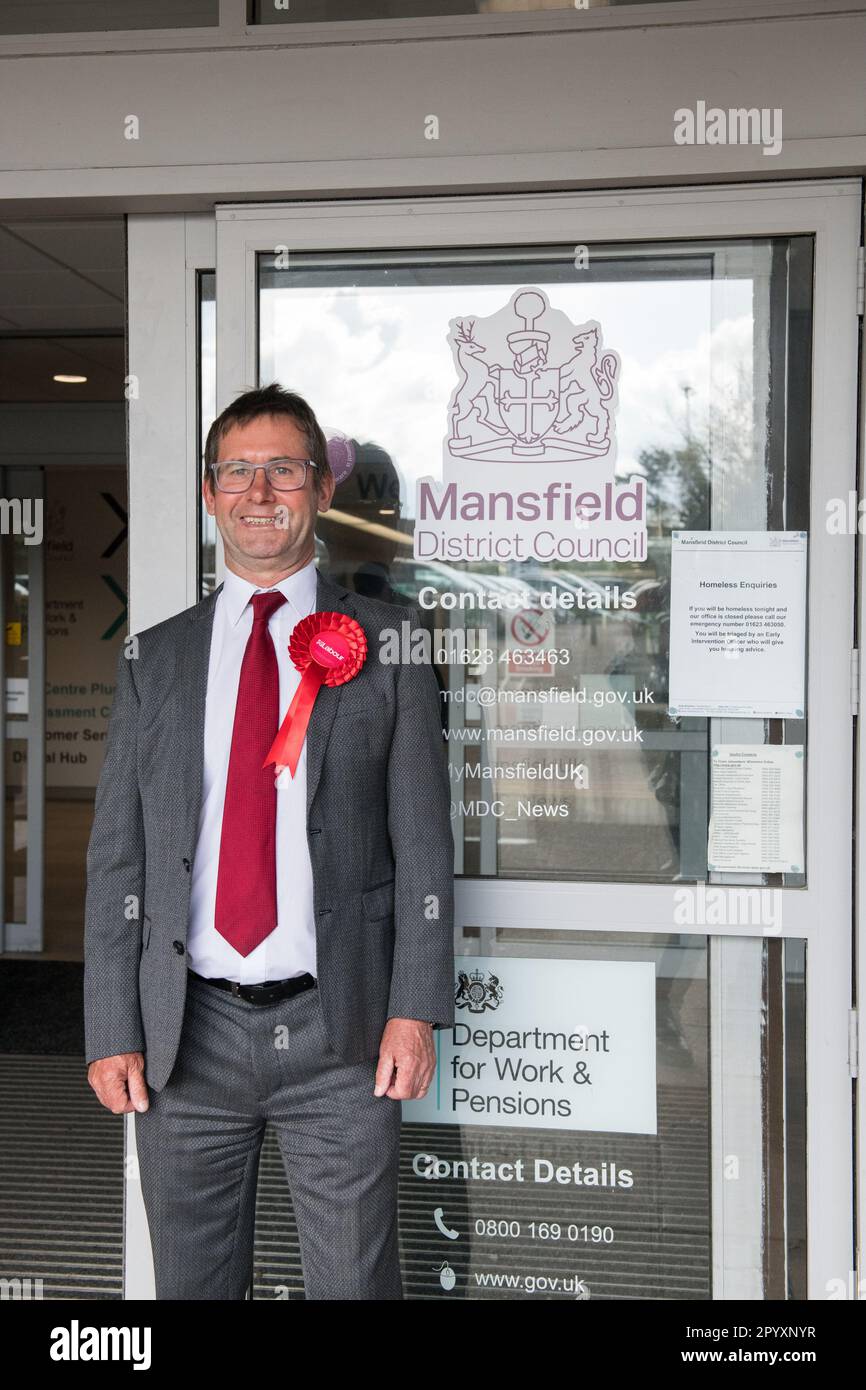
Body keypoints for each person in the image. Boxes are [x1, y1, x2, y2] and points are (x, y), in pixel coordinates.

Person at [84, 382, 455, 1300]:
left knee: (355, 1286)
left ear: (320, 490)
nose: (259, 492)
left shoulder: (390, 644)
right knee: (193, 1287)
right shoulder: (153, 657)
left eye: (283, 470)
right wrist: (109, 1027)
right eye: (237, 472)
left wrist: (414, 1006)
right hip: (184, 1038)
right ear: (210, 493)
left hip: (342, 1034)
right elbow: (118, 856)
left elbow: (423, 846)